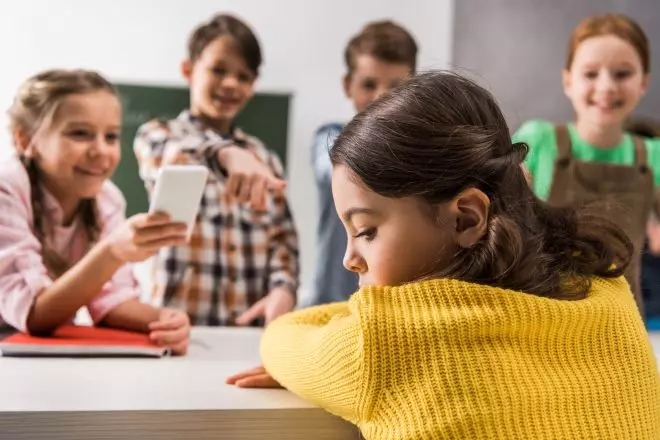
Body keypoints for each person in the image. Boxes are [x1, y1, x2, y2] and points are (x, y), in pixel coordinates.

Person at [227, 71, 660, 439]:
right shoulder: (609, 295)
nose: (349, 258)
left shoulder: (383, 343)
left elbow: (282, 336)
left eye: (365, 231)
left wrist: (330, 353)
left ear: (467, 219)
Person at [0, 69, 190, 354]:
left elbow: (110, 300)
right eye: (80, 134)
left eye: (111, 136)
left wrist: (163, 320)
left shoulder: (107, 199)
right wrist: (112, 252)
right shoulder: (8, 189)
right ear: (26, 141)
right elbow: (34, 314)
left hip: (35, 355)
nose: (101, 150)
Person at [134, 14, 299, 326]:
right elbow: (167, 156)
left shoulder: (265, 158)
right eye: (218, 70)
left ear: (253, 86)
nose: (230, 84)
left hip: (249, 328)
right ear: (189, 70)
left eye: (244, 76)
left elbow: (282, 240)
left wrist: (284, 289)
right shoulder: (157, 135)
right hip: (175, 326)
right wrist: (225, 154)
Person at [514, 13, 660, 313]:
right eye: (591, 73)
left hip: (624, 323)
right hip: (541, 315)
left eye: (622, 74)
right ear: (568, 81)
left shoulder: (654, 155)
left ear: (644, 82)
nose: (606, 86)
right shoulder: (538, 141)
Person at [310, 20, 418, 305]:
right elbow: (333, 168)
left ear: (414, 86)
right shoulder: (329, 137)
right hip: (333, 303)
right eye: (369, 84)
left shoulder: (422, 148)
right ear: (348, 85)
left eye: (395, 86)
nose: (381, 96)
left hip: (392, 304)